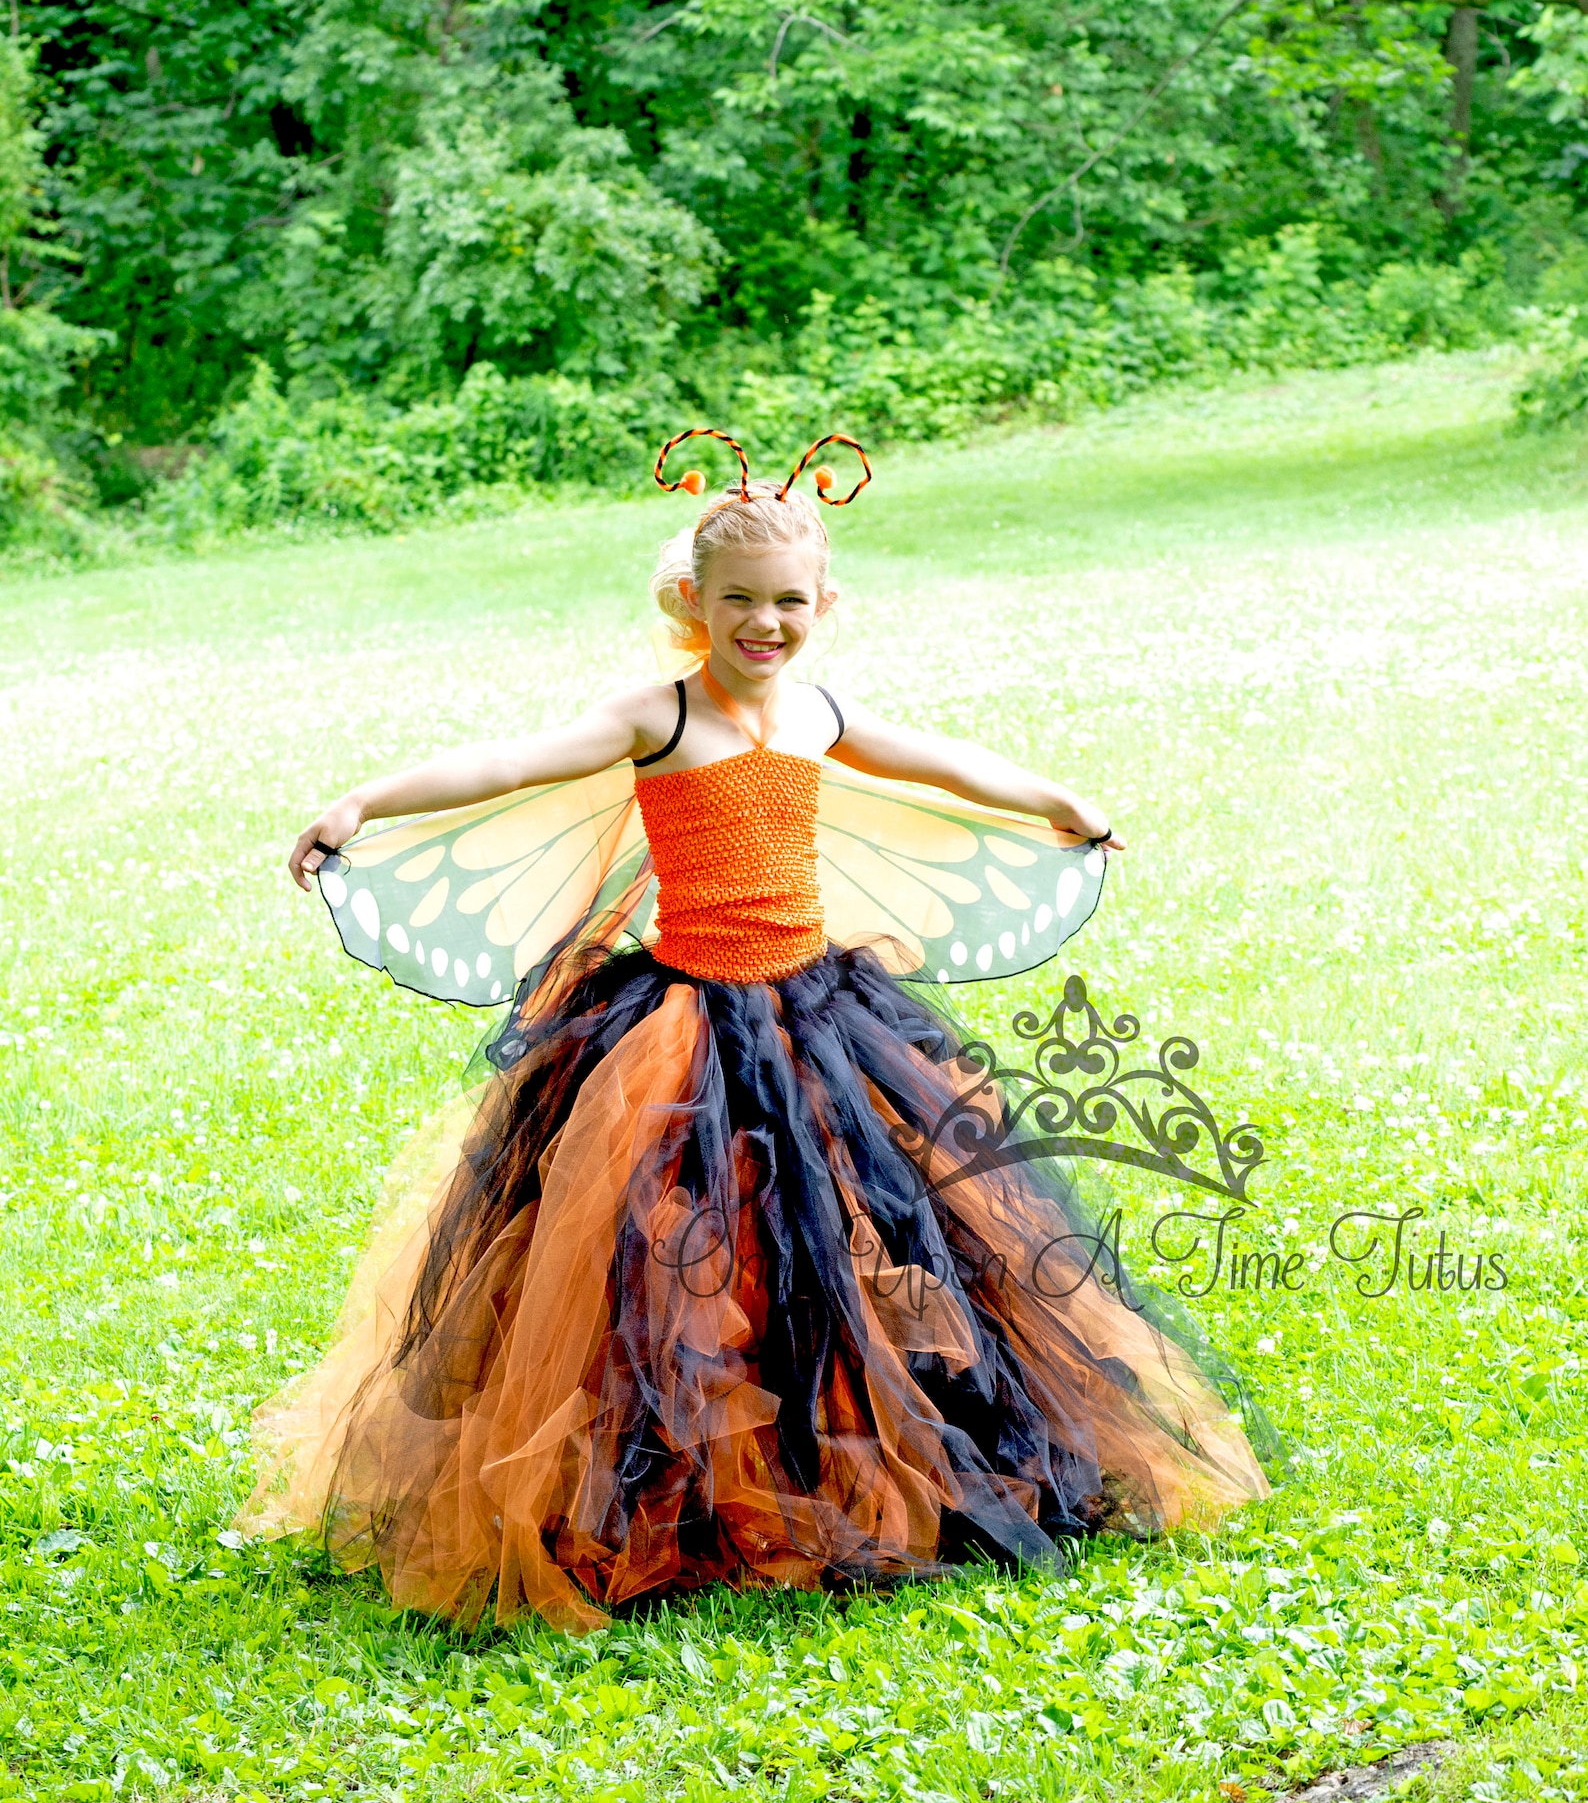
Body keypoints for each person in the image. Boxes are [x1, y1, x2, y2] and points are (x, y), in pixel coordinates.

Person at [243, 429, 1269, 1631]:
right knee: (684, 1252)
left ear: (824, 604)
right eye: (740, 601)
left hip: (821, 1015)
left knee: (863, 1239)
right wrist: (360, 800)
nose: (765, 623)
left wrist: (1056, 798)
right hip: (680, 1027)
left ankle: (869, 1455)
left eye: (789, 601)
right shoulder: (661, 715)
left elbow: (935, 761)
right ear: (695, 601)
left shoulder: (820, 712)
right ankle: (679, 1486)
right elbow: (510, 762)